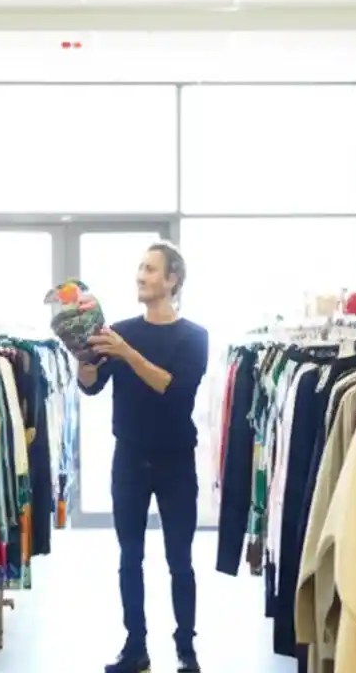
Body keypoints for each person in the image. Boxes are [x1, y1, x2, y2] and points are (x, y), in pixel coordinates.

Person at [79, 241, 209, 673]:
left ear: (173, 279)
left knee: (180, 560)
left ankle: (186, 650)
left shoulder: (194, 337)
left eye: (150, 269)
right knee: (128, 556)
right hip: (129, 459)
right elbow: (91, 385)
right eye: (139, 267)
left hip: (175, 461)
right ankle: (135, 647)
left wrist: (127, 353)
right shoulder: (120, 330)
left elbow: (174, 389)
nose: (141, 275)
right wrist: (83, 359)